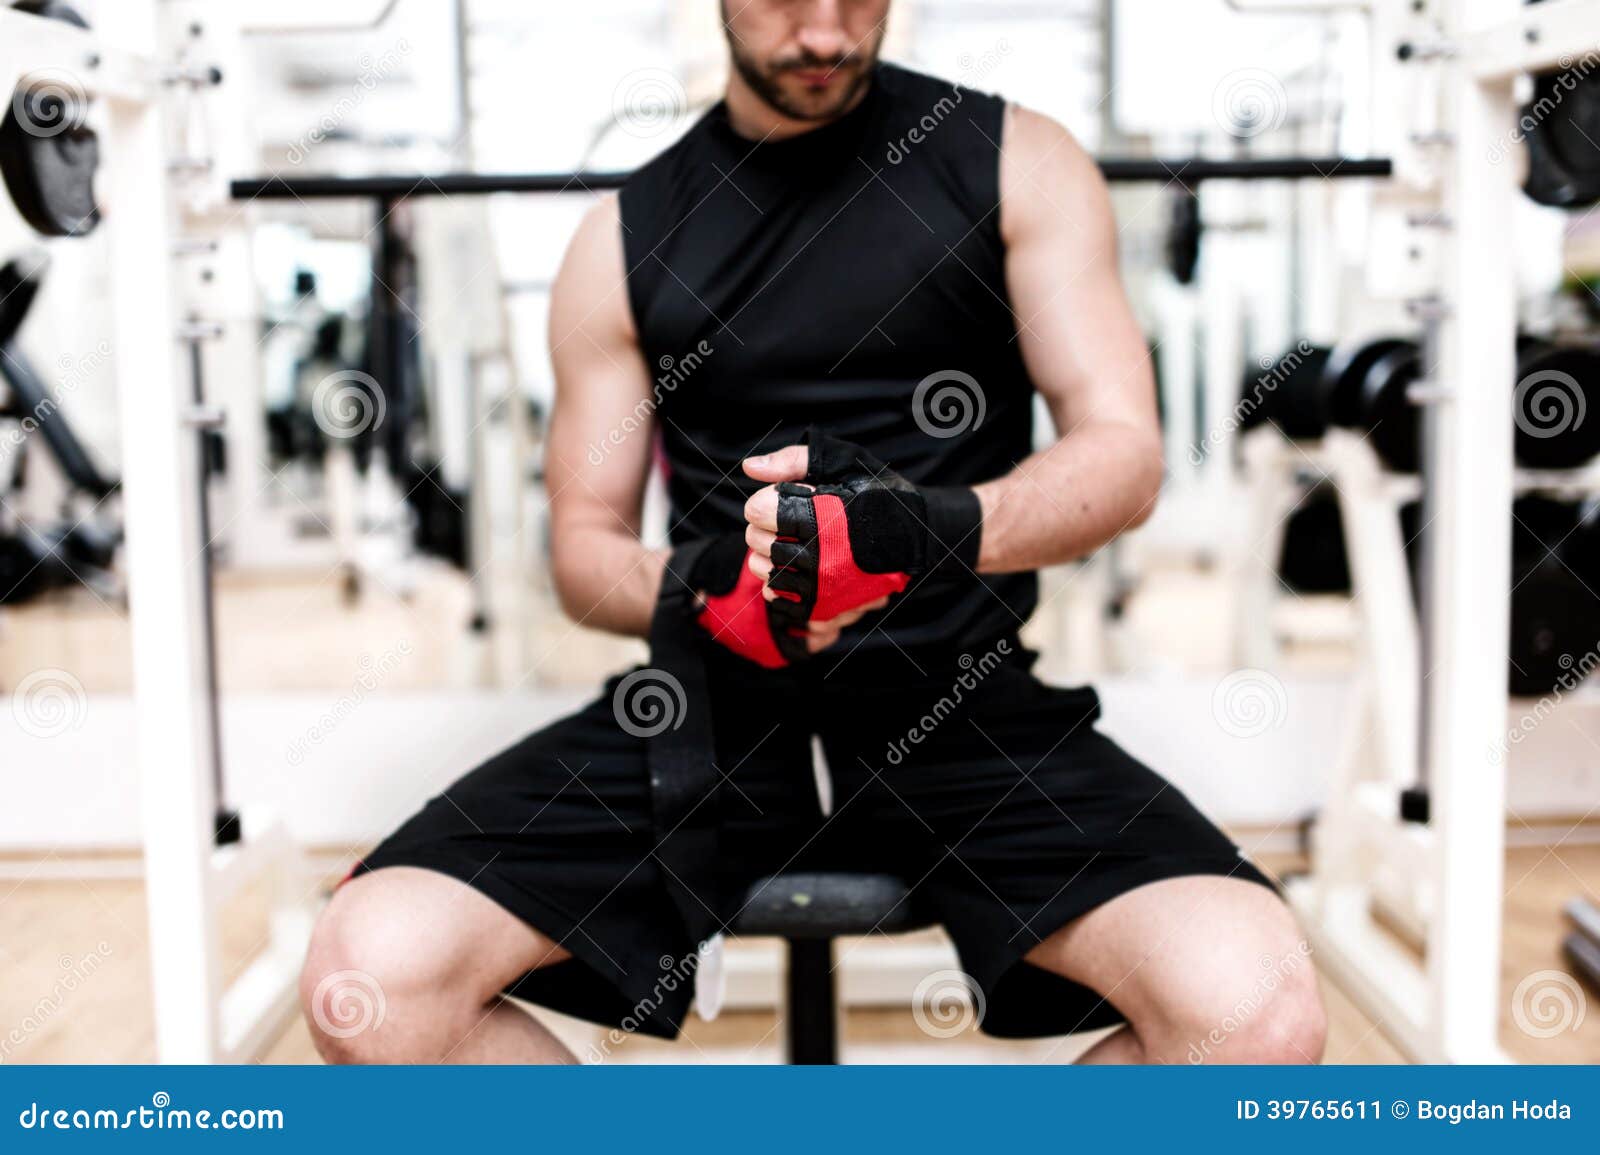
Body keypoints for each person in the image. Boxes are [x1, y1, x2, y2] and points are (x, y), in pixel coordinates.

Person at [300, 0, 1327, 1065]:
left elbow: (1123, 453)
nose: (828, 35)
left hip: (965, 709)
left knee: (1254, 1017)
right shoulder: (625, 235)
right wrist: (707, 594)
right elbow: (581, 547)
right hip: (707, 718)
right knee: (369, 982)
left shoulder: (1019, 163)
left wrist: (922, 531)